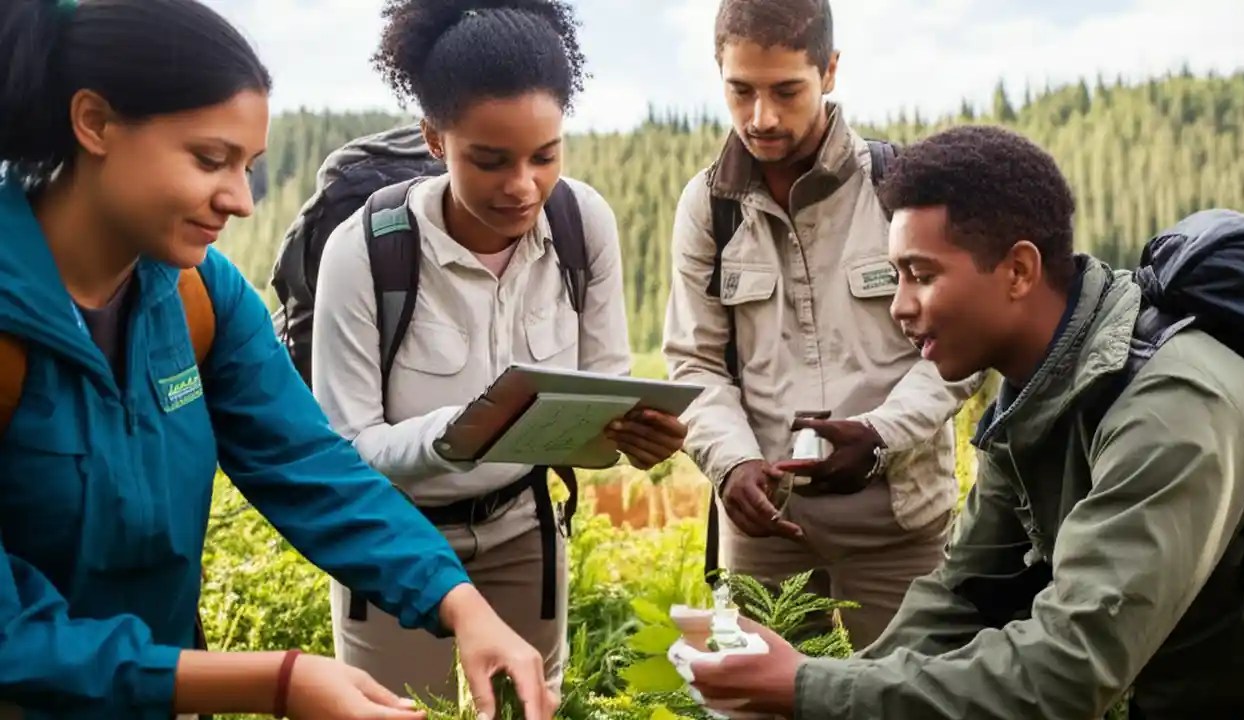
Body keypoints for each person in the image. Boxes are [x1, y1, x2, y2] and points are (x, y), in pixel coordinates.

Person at [0, 1, 557, 719]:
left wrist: (459, 604)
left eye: (249, 167)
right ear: (95, 123)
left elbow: (310, 466)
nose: (240, 201)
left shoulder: (201, 298)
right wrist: (276, 680)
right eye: (209, 160)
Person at [683, 125, 1244, 718]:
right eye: (896, 277)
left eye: (922, 275)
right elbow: (963, 598)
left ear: (1019, 271)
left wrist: (807, 689)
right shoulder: (1036, 392)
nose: (899, 307)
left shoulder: (1169, 411)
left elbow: (1065, 674)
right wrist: (824, 688)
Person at [309, 0, 689, 705]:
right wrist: (457, 438)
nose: (524, 187)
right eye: (490, 161)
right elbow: (345, 451)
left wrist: (631, 436)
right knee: (394, 709)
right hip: (391, 532)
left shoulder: (583, 224)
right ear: (434, 139)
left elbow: (602, 389)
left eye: (545, 156)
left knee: (530, 705)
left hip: (524, 526)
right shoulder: (364, 251)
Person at [661, 0, 979, 649]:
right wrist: (732, 464)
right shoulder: (707, 208)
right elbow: (693, 363)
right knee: (759, 704)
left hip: (900, 524)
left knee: (911, 700)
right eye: (740, 91)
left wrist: (880, 436)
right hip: (762, 529)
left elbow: (962, 349)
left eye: (787, 91)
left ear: (829, 71)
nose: (762, 117)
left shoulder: (902, 188)